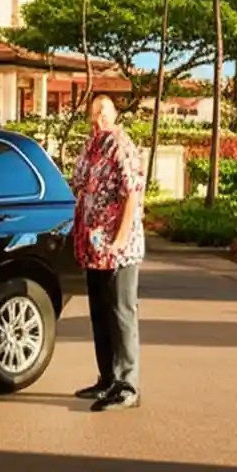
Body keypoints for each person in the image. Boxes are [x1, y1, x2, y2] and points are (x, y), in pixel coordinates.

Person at [70, 93, 145, 412]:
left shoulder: (122, 146)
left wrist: (120, 237)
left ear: (113, 115)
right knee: (100, 313)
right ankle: (107, 378)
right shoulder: (91, 147)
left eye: (103, 112)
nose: (97, 118)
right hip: (93, 246)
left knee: (121, 314)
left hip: (119, 249)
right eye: (94, 112)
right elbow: (78, 186)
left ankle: (127, 385)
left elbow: (131, 193)